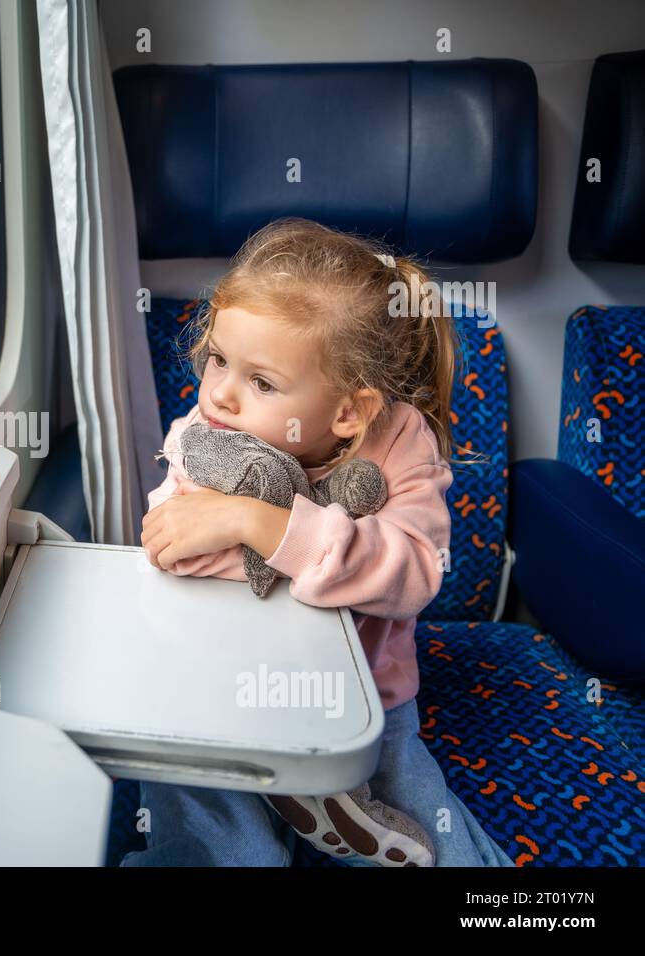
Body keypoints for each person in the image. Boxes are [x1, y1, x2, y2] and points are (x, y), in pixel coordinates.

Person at [124, 218, 513, 867]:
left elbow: (413, 569)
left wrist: (264, 525)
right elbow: (173, 544)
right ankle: (286, 809)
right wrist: (220, 529)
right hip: (221, 689)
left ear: (347, 413)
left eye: (262, 381)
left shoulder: (399, 443)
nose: (219, 391)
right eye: (218, 358)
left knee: (434, 841)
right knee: (215, 839)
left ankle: (337, 802)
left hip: (365, 693)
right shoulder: (212, 428)